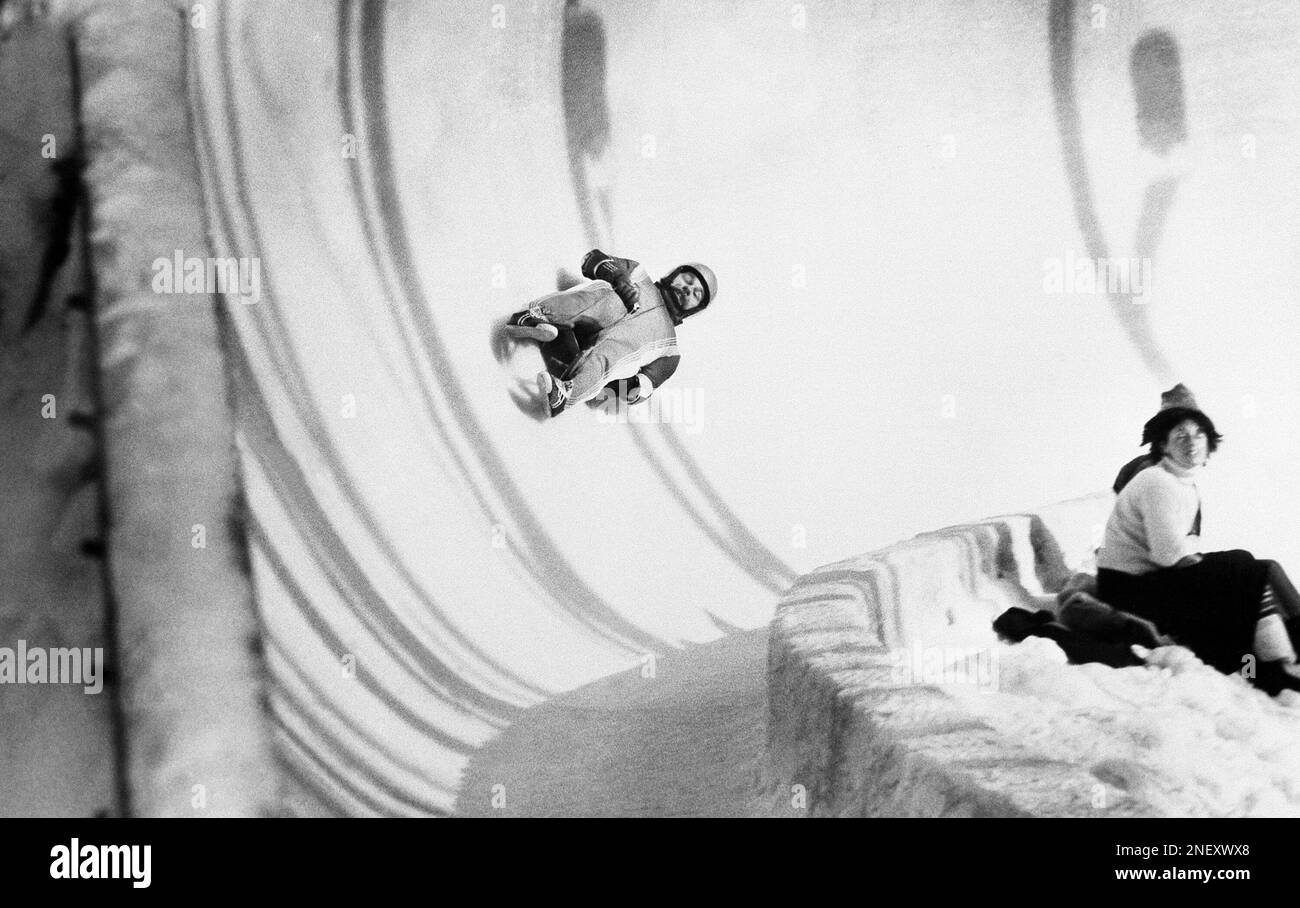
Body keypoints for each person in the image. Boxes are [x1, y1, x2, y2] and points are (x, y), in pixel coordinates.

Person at [1095, 392, 1300, 695]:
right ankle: (1267, 667)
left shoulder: (1181, 482)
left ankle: (1282, 653)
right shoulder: (1156, 481)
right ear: (1163, 445)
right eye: (1180, 435)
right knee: (1243, 569)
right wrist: (1197, 561)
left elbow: (1184, 543)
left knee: (1247, 567)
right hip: (1130, 587)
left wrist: (1195, 558)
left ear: (1209, 444)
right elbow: (1168, 554)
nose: (1191, 442)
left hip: (1147, 578)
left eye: (1198, 434)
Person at [504, 249, 716, 416]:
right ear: (675, 274)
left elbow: (645, 388)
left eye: (696, 293)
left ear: (694, 309)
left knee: (617, 353)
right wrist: (618, 278)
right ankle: (535, 317)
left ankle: (565, 393)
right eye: (688, 281)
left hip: (591, 361)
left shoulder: (669, 350)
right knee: (602, 297)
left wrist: (628, 386)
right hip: (578, 319)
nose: (688, 290)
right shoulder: (639, 275)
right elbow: (591, 260)